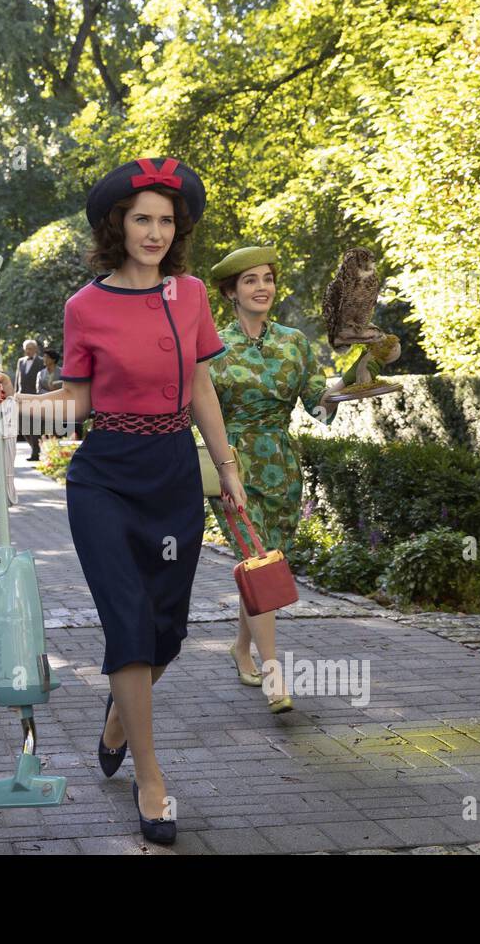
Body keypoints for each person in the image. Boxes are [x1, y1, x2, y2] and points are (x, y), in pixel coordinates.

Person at [0, 157, 244, 844]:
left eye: (164, 220)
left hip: (173, 475)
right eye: (141, 219)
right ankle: (151, 781)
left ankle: (119, 715)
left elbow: (202, 391)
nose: (154, 231)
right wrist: (14, 406)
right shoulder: (84, 305)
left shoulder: (189, 297)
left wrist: (229, 466)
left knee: (168, 633)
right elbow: (75, 403)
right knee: (128, 622)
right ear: (118, 226)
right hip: (104, 478)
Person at [208, 247, 344, 713]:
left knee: (266, 564)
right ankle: (274, 675)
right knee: (258, 560)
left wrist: (358, 378)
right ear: (231, 292)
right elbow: (195, 410)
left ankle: (240, 648)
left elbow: (318, 404)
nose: (262, 287)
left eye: (267, 278)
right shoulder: (210, 345)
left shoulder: (294, 342)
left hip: (282, 465)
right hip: (231, 466)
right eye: (250, 280)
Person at [14, 339, 44, 461]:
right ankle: (36, 449)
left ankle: (35, 453)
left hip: (35, 398)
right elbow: (17, 379)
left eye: (30, 348)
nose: (28, 351)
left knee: (34, 426)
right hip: (21, 398)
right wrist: (15, 394)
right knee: (22, 426)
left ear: (36, 349)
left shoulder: (41, 362)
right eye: (26, 348)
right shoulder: (21, 361)